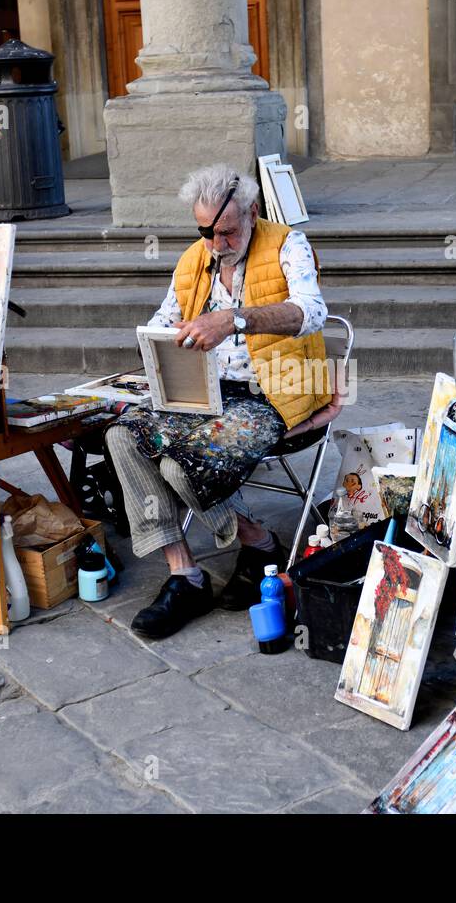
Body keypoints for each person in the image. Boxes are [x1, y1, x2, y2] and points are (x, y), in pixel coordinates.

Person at [104, 164, 332, 639]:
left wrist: (234, 320)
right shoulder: (194, 258)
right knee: (122, 436)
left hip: (274, 392)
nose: (216, 244)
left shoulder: (288, 244)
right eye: (205, 232)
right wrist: (161, 345)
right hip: (206, 392)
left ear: (252, 213)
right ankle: (185, 572)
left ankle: (259, 541)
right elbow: (165, 319)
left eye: (226, 232)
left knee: (178, 466)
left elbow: (311, 312)